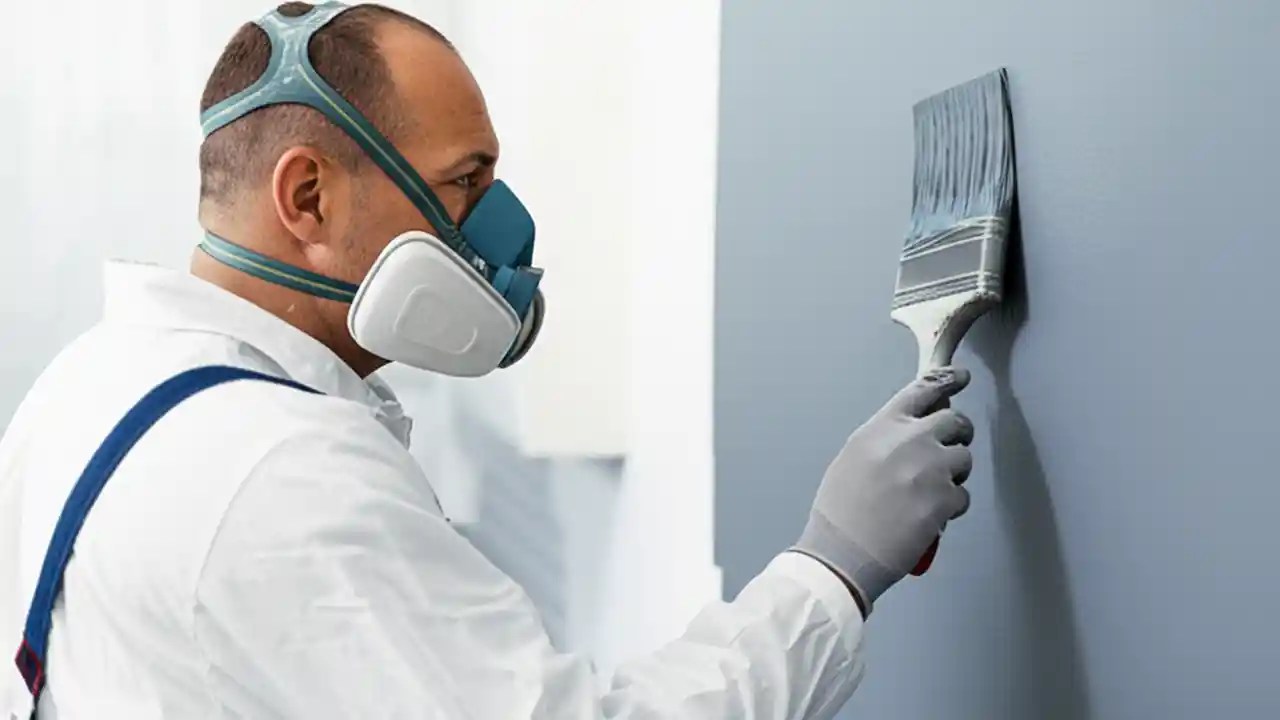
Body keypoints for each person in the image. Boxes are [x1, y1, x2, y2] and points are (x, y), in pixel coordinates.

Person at [0, 2, 975, 717]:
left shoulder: (90, 383)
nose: (491, 237)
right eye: (462, 186)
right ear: (307, 201)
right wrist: (830, 571)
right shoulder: (282, 474)